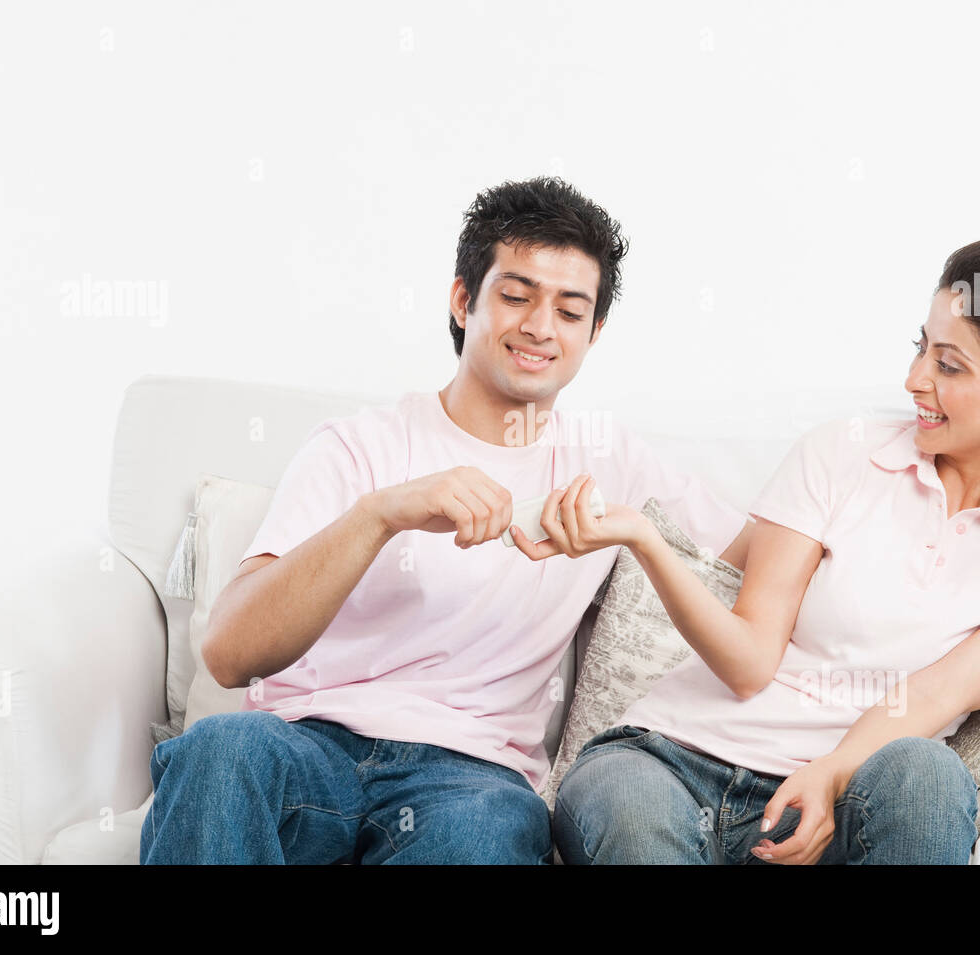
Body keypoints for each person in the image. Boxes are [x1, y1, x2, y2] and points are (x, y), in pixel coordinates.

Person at [138, 176, 758, 864]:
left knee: (487, 832)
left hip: (468, 777)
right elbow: (228, 653)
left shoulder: (613, 462)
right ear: (464, 299)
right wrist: (383, 514)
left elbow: (771, 552)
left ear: (594, 332)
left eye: (570, 310)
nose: (539, 327)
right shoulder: (357, 447)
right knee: (220, 750)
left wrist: (643, 532)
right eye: (516, 296)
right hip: (308, 743)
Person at [517, 233, 980, 865]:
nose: (914, 379)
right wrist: (645, 539)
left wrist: (832, 774)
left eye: (949, 366)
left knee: (926, 773)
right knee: (628, 807)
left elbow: (931, 697)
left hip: (845, 802)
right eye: (921, 347)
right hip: (674, 761)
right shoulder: (841, 453)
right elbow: (748, 661)